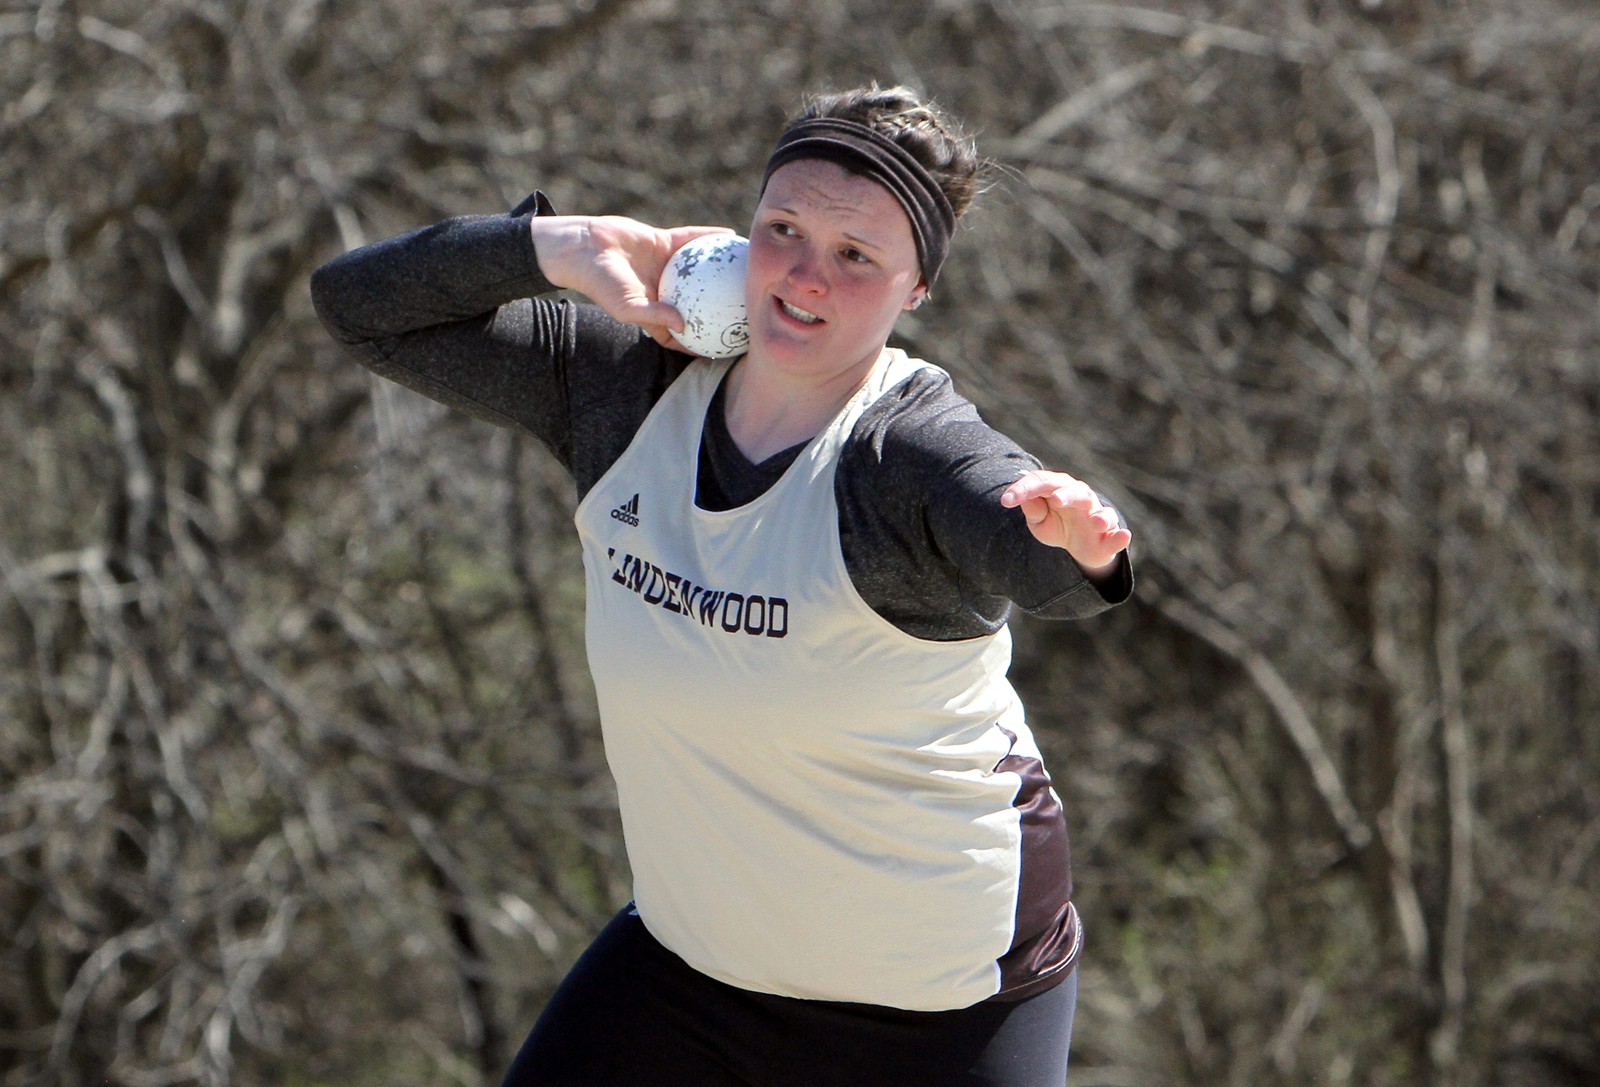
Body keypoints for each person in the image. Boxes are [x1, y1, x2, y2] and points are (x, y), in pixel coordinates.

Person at [311, 84, 1133, 1087]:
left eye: (855, 255)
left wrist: (1071, 537)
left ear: (915, 289)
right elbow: (358, 310)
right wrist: (562, 247)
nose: (804, 275)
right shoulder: (620, 391)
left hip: (940, 1004)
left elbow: (1033, 558)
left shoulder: (906, 454)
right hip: (695, 969)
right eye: (782, 228)